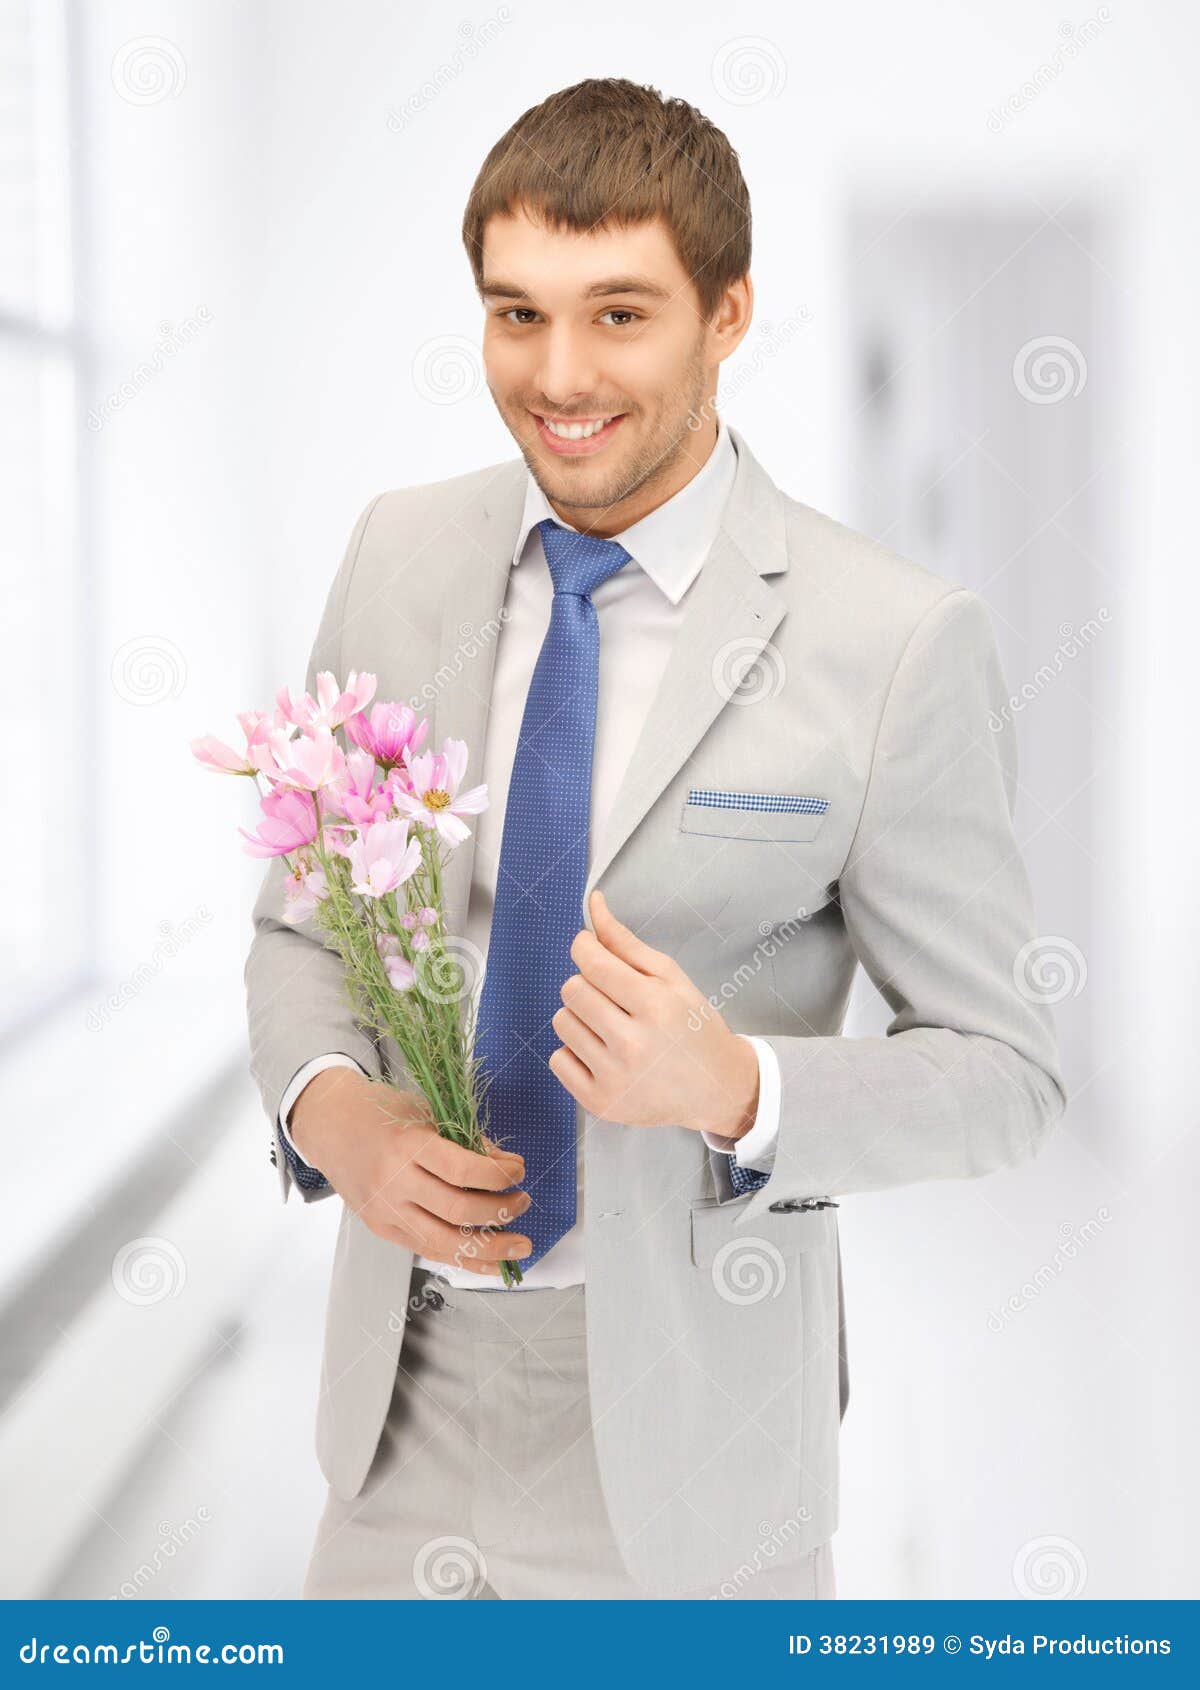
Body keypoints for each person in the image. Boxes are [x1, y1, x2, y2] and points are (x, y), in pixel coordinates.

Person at [244, 76, 1066, 1601]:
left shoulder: (890, 641)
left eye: (620, 314)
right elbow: (304, 923)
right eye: (516, 313)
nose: (557, 375)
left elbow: (1009, 1076)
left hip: (694, 1454)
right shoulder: (399, 550)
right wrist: (332, 1114)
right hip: (395, 1420)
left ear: (729, 314)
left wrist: (742, 1085)